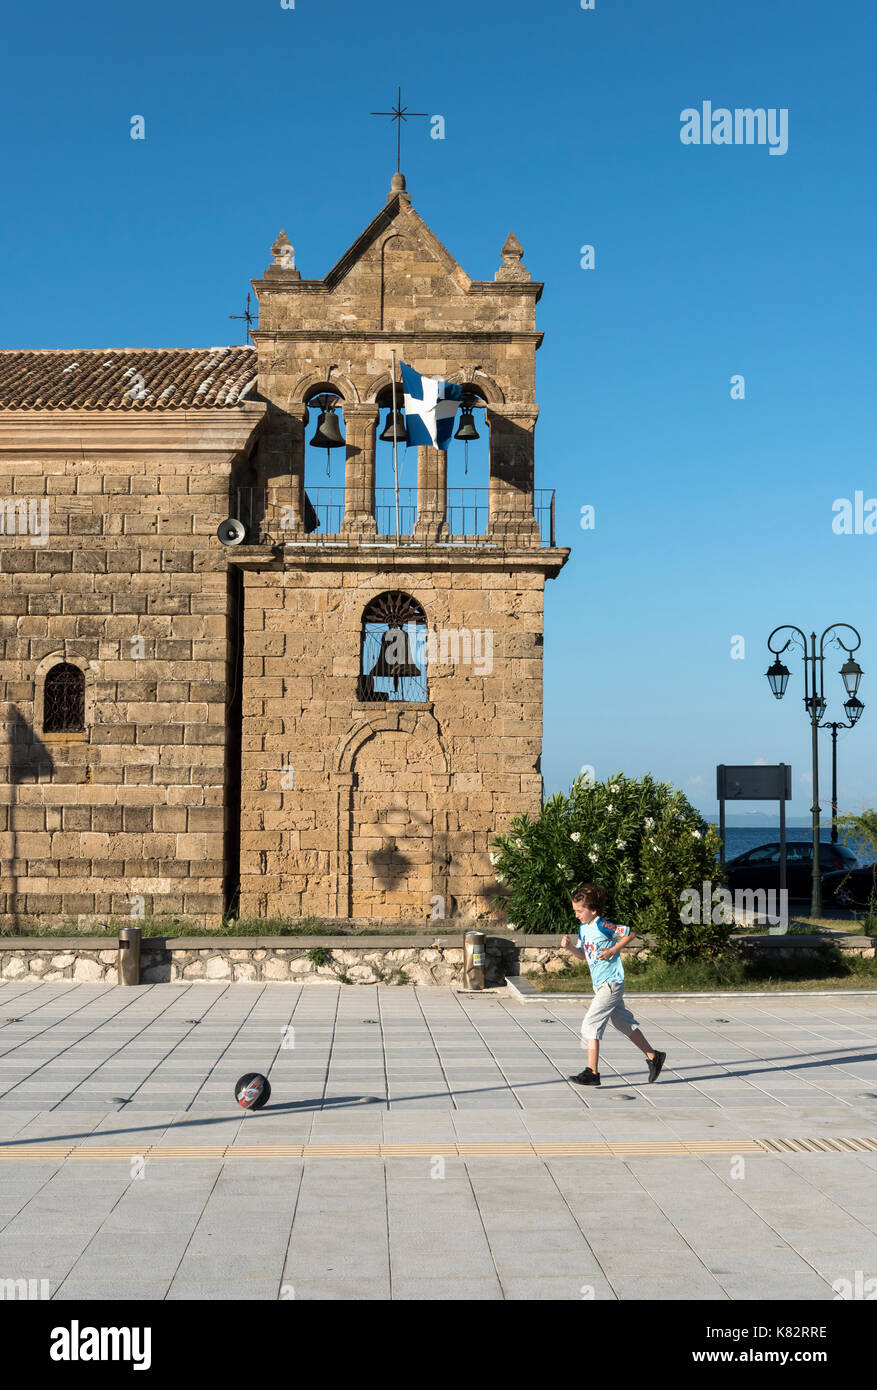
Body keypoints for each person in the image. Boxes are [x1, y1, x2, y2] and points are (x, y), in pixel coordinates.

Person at [560, 882, 666, 1087]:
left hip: (611, 983)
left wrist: (612, 951)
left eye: (580, 911)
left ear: (593, 910)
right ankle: (654, 1057)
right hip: (600, 985)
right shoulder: (583, 929)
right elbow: (583, 956)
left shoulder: (602, 925)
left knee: (590, 1024)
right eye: (575, 911)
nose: (576, 915)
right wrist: (570, 947)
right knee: (623, 1023)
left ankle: (592, 1072)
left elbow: (630, 934)